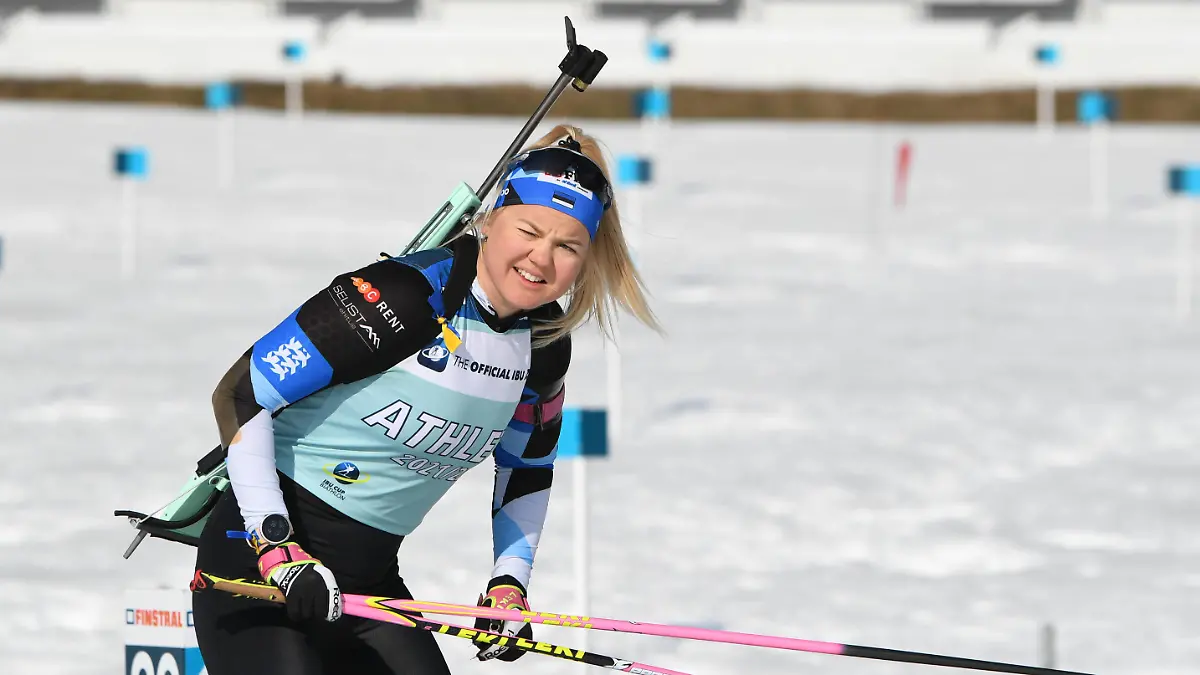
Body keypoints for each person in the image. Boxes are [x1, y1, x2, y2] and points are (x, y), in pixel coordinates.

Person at [191, 124, 660, 675]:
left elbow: (528, 467)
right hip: (254, 569)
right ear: (490, 220)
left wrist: (508, 584)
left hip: (368, 588)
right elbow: (241, 392)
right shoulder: (405, 296)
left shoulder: (542, 346)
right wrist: (278, 547)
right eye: (528, 230)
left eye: (567, 246)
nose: (541, 259)